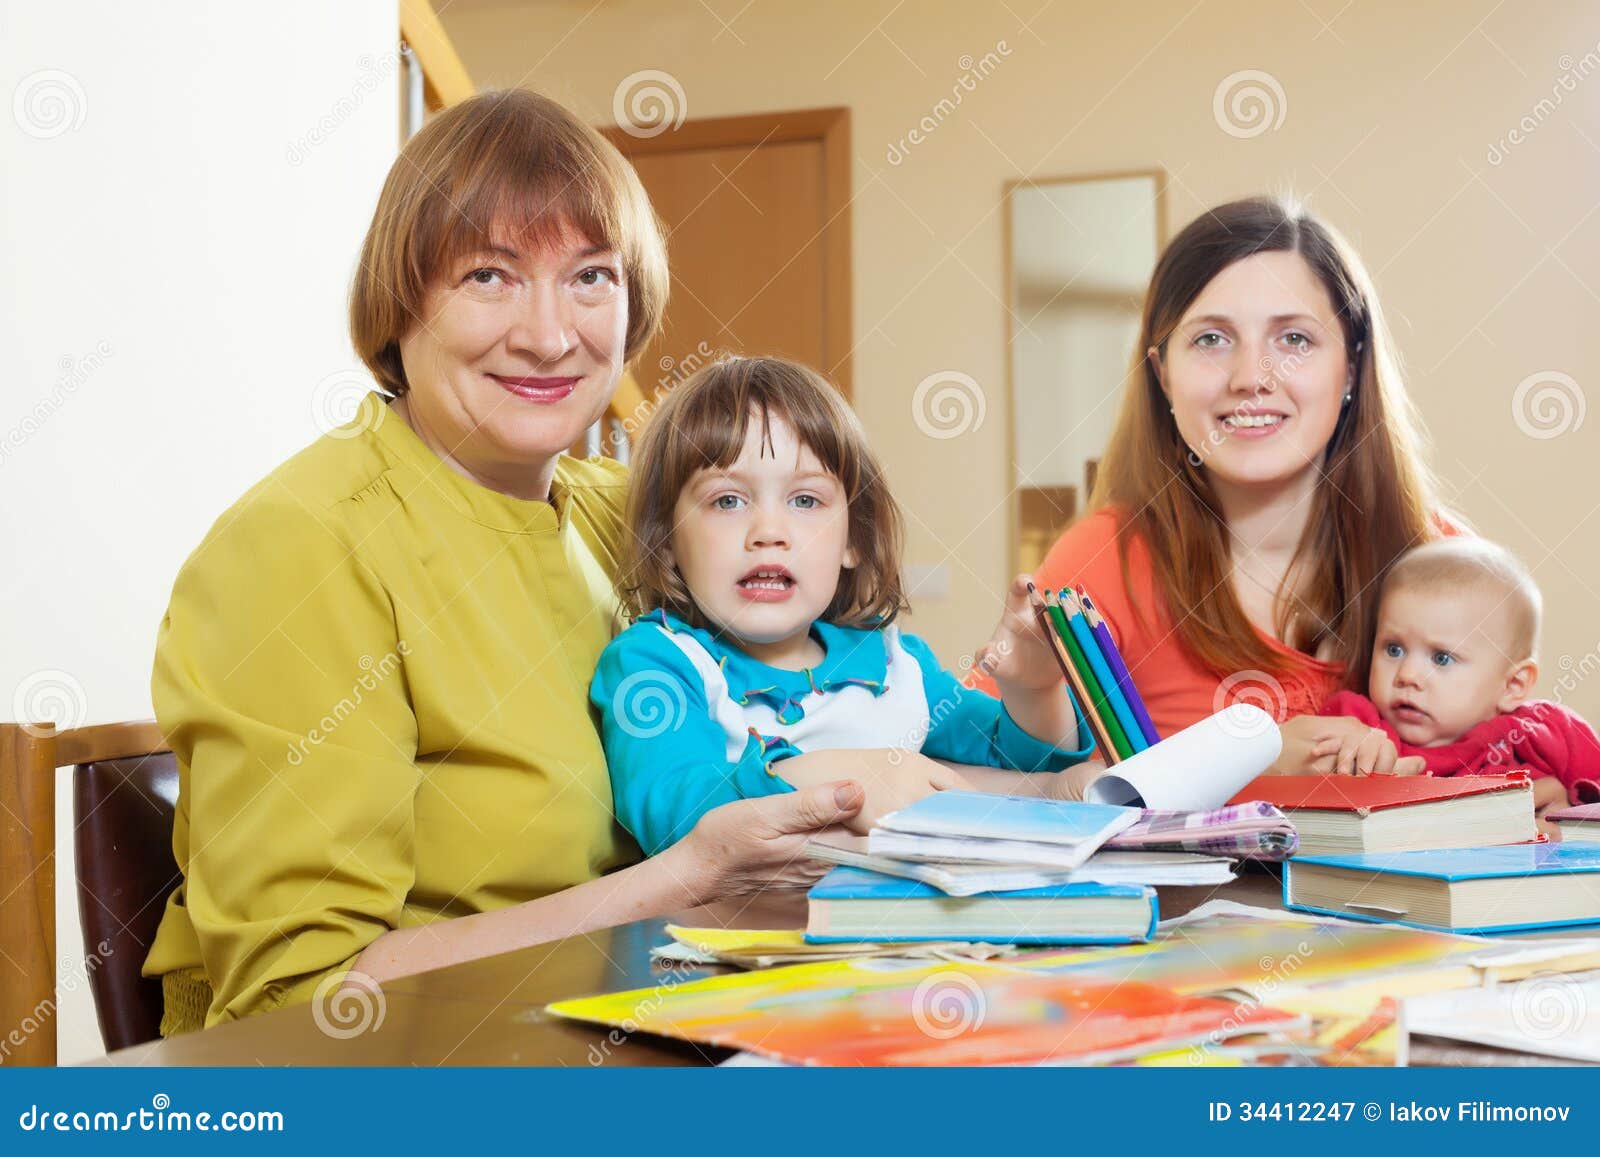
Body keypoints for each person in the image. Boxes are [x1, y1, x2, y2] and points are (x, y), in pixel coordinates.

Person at [141, 90, 867, 1035]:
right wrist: (682, 880)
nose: (550, 334)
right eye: (490, 276)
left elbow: (830, 685)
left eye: (591, 277)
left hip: (637, 1023)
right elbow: (301, 1004)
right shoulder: (300, 548)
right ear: (400, 303)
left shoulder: (630, 512)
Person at [998, 195, 1464, 775]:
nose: (1251, 379)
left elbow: (1519, 740)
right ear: (1162, 373)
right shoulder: (1100, 561)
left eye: (1293, 339)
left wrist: (1533, 785)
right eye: (1211, 340)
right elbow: (1008, 786)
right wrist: (1247, 768)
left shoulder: (1440, 557)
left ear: (1351, 366)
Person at [590, 356, 1094, 855]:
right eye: (728, 501)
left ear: (854, 539)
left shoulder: (899, 665)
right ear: (668, 541)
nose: (769, 533)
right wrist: (841, 775)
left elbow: (1024, 767)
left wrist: (1035, 691)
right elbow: (673, 815)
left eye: (805, 501)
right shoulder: (655, 663)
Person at [1320, 538, 1600, 832]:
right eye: (1394, 649)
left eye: (1441, 658)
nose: (1408, 675)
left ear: (1512, 685)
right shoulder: (1358, 726)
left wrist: (1572, 822)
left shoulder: (1547, 733)